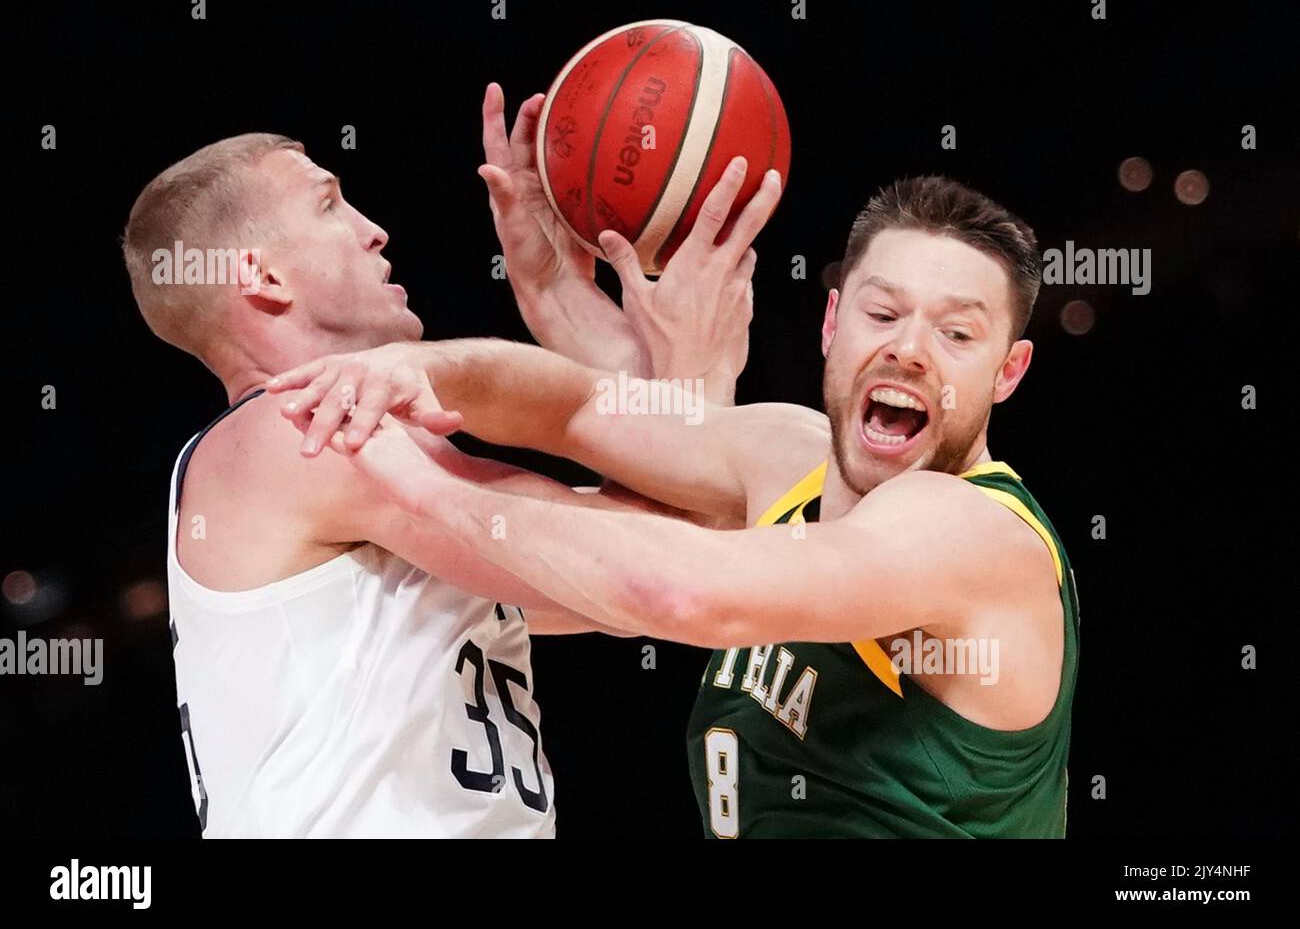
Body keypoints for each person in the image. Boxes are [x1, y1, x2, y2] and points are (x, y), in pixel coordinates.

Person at [271, 175, 1079, 838]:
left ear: (1008, 372)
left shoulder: (972, 533)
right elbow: (581, 408)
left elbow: (682, 593)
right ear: (833, 322)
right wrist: (420, 371)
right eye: (882, 312)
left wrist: (427, 491)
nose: (908, 347)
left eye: (957, 334)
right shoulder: (782, 455)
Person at [122, 85, 774, 835]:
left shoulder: (356, 485)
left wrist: (562, 297)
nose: (375, 231)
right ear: (264, 276)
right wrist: (698, 373)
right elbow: (661, 571)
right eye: (331, 205)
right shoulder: (299, 430)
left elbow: (639, 572)